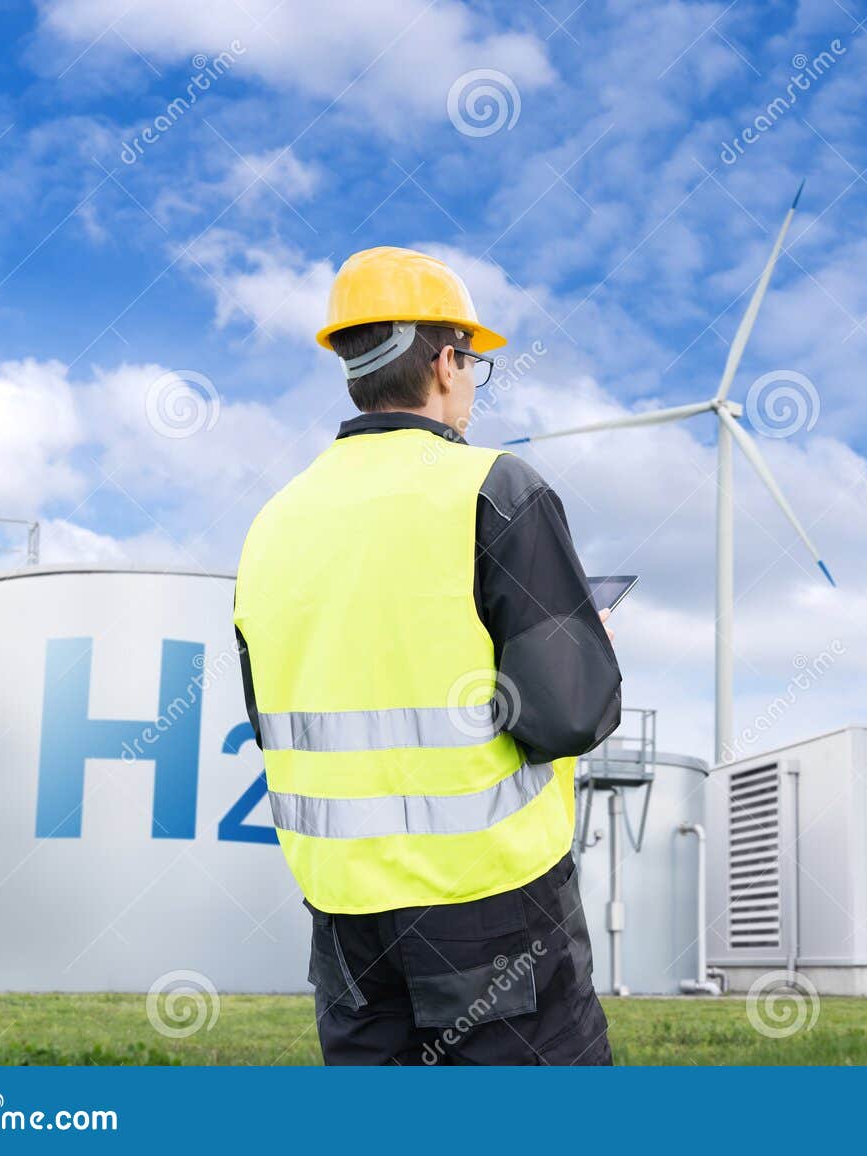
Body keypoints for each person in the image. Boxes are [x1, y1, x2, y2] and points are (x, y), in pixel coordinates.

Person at [233, 246, 621, 1065]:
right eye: (473, 363)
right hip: (492, 907)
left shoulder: (273, 522)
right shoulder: (496, 488)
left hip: (344, 918)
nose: (473, 383)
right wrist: (591, 645)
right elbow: (568, 715)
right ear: (445, 363)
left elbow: (272, 717)